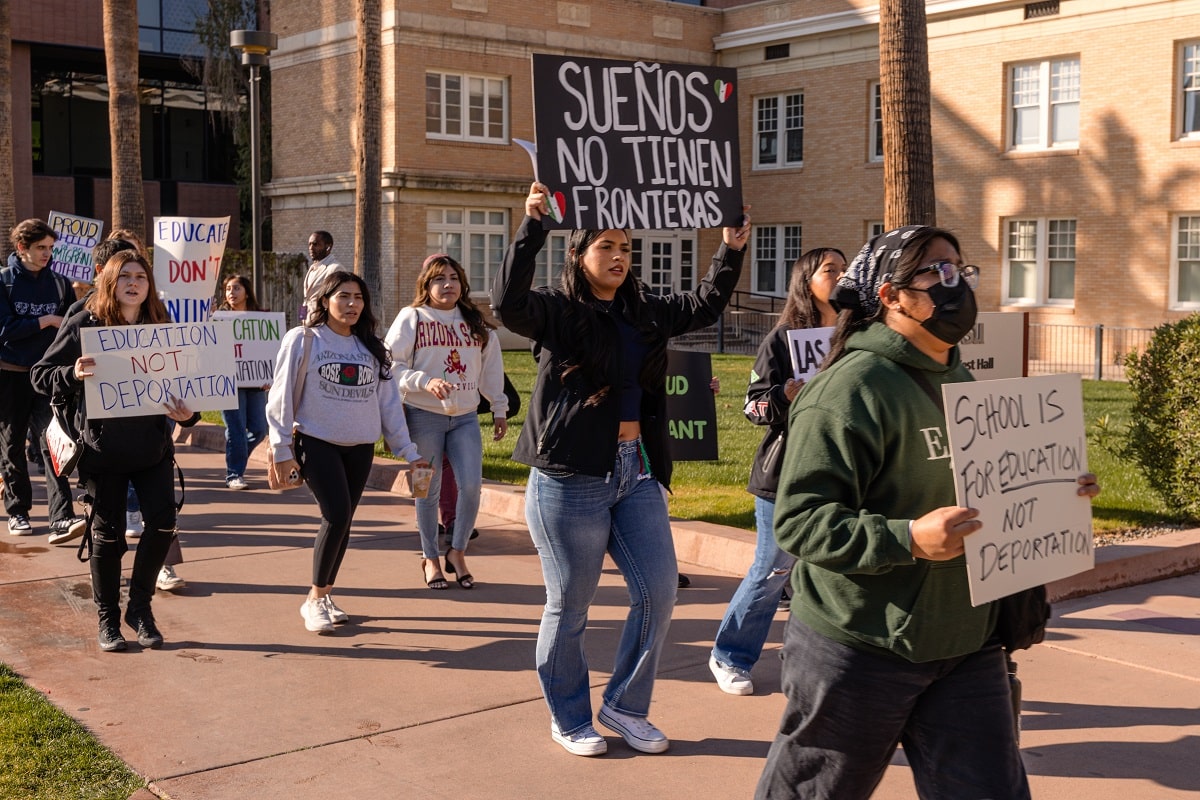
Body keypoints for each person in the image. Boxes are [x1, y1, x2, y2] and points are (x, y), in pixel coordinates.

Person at [754, 226, 1102, 799]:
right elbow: (800, 520)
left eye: (961, 271)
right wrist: (907, 538)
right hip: (861, 645)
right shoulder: (848, 391)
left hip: (966, 641)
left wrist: (1058, 488)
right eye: (937, 273)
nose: (956, 285)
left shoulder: (963, 381)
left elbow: (989, 488)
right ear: (890, 295)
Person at [492, 181, 750, 758]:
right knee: (572, 605)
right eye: (605, 246)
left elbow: (704, 304)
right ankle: (569, 716)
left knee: (659, 592)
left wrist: (730, 250)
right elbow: (508, 305)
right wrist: (532, 225)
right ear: (580, 254)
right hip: (569, 477)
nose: (618, 256)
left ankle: (625, 707)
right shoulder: (558, 313)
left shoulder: (645, 311)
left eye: (626, 248)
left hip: (635, 472)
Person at [31, 250, 201, 651]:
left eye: (140, 276)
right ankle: (108, 618)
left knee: (162, 525)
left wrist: (190, 416)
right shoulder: (85, 324)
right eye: (124, 275)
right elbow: (41, 376)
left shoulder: (162, 326)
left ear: (149, 285)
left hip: (152, 451)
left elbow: (190, 388)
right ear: (109, 280)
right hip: (102, 452)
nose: (133, 282)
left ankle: (139, 608)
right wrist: (72, 373)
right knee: (107, 539)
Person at [708, 246, 847, 696]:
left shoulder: (854, 334)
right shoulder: (785, 337)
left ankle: (811, 660)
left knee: (826, 571)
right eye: (831, 270)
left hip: (840, 472)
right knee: (773, 569)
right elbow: (754, 406)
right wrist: (784, 395)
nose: (841, 276)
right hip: (785, 473)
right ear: (807, 281)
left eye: (844, 269)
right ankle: (729, 656)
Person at [268, 270, 428, 633]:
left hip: (360, 448)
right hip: (316, 441)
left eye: (358, 297)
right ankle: (313, 599)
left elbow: (388, 406)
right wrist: (280, 447)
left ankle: (323, 596)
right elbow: (279, 396)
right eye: (343, 296)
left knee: (343, 523)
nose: (352, 304)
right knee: (337, 515)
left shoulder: (373, 348)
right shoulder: (304, 339)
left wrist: (408, 451)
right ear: (325, 301)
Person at [384, 254, 508, 590]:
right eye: (440, 278)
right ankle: (430, 558)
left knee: (470, 487)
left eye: (454, 277)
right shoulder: (413, 318)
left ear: (462, 283)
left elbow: (491, 367)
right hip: (423, 417)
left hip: (465, 417)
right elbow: (391, 366)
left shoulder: (474, 323)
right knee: (426, 490)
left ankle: (457, 551)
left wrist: (499, 407)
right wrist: (425, 381)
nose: (448, 284)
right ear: (426, 284)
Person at [1, 219, 87, 543]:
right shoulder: (4, 282)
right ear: (22, 247)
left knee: (54, 444)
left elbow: (69, 330)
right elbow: (4, 329)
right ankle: (18, 510)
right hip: (9, 376)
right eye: (41, 248)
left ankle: (61, 517)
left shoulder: (60, 284)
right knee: (11, 447)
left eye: (51, 248)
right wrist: (45, 320)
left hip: (48, 378)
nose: (47, 254)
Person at [216, 274, 269, 490]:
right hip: (230, 384)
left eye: (236, 288)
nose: (231, 293)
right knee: (236, 430)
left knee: (259, 429)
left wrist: (270, 375)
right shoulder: (218, 318)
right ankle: (234, 474)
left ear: (246, 291)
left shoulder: (260, 319)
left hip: (255, 384)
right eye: (228, 289)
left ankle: (236, 455)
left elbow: (268, 351)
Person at [301, 231, 342, 316]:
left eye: (315, 244)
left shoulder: (335, 269)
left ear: (328, 247)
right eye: (309, 244)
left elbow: (338, 300)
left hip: (323, 323)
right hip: (308, 322)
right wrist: (302, 317)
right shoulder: (312, 268)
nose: (311, 248)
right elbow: (306, 299)